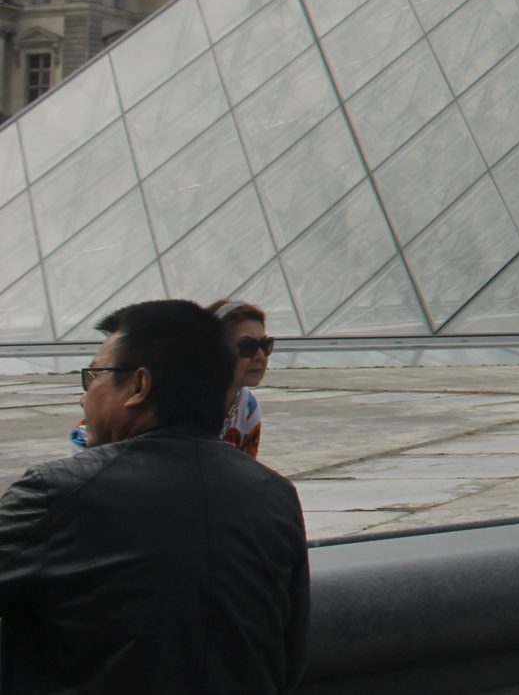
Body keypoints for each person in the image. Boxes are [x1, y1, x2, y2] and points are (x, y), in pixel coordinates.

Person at [0, 299, 311, 693]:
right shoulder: (276, 496)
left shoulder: (56, 494)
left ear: (138, 386)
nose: (84, 397)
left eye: (94, 375)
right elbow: (290, 652)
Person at [209, 297, 273, 458]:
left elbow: (248, 472)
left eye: (265, 346)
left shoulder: (248, 407)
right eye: (247, 347)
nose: (260, 357)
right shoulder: (180, 404)